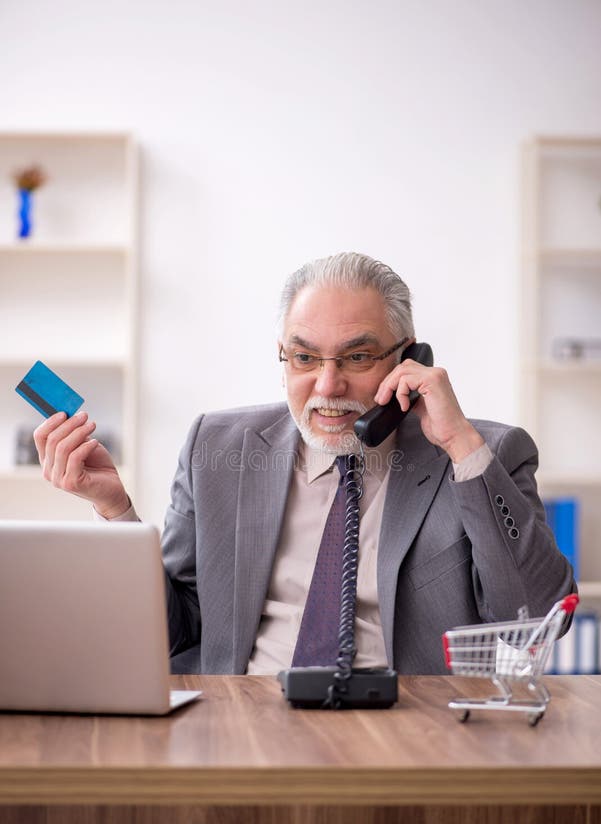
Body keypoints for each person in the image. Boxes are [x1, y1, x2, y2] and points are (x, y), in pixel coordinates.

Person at [33, 252, 575, 675]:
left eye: (357, 357)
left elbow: (533, 621)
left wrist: (461, 447)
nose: (327, 385)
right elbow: (175, 632)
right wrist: (116, 511)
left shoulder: (481, 455)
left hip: (408, 731)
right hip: (242, 722)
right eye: (305, 357)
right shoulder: (215, 448)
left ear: (409, 358)